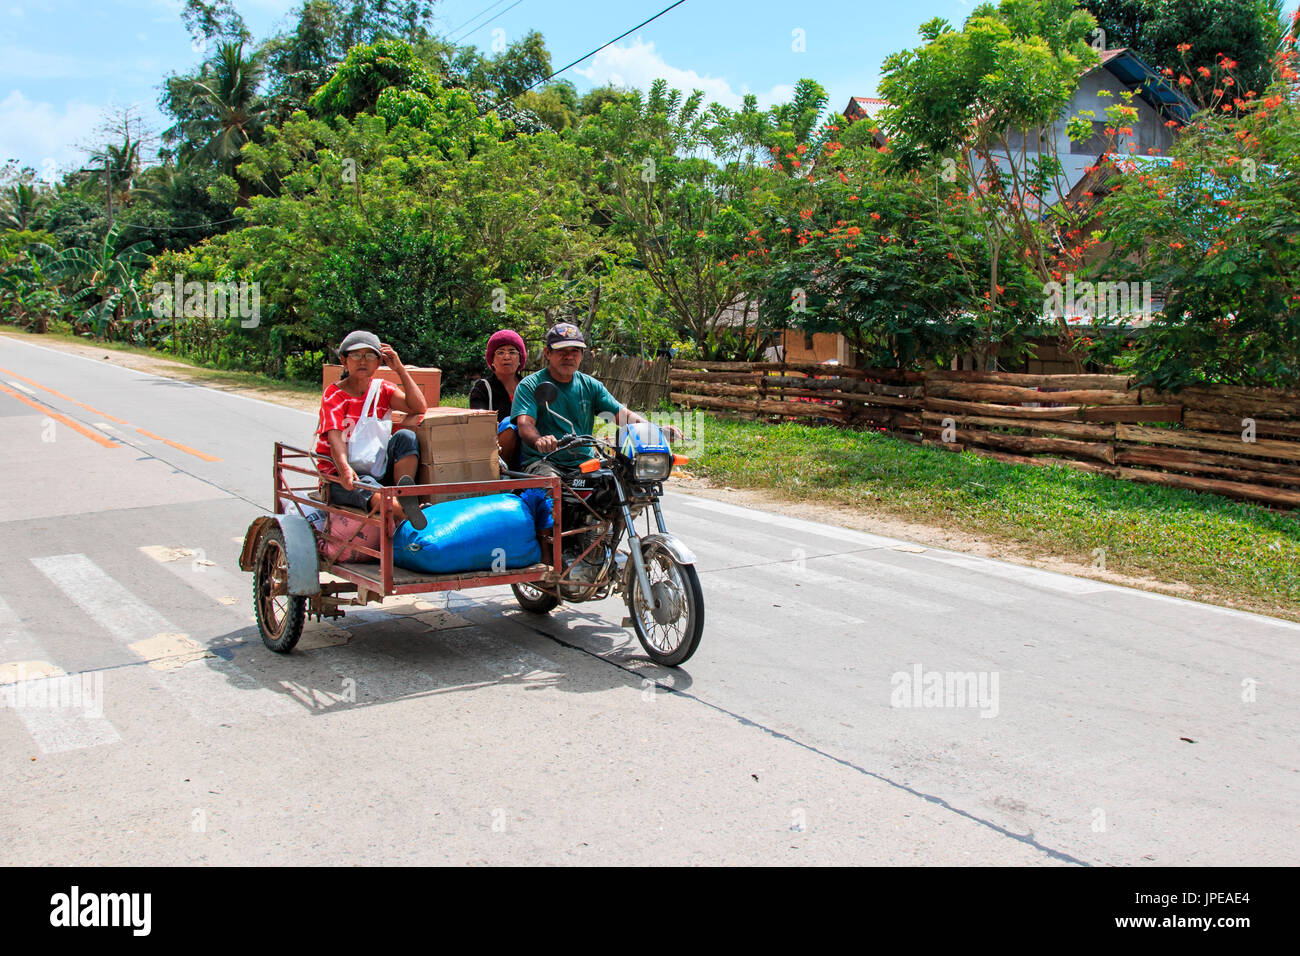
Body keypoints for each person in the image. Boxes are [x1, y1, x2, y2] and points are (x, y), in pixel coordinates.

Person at [511, 322, 681, 477]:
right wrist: (539, 440)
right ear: (548, 353)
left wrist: (655, 430)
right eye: (561, 351)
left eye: (574, 351)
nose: (568, 357)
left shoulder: (590, 385)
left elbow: (621, 415)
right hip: (544, 461)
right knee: (551, 486)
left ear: (582, 354)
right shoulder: (531, 385)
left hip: (585, 462)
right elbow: (526, 425)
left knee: (625, 485)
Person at [314, 330, 428, 529]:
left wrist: (400, 369)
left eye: (369, 355)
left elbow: (418, 407)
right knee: (363, 485)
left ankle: (403, 495)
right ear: (344, 360)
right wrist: (344, 468)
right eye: (356, 355)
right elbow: (335, 438)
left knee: (406, 436)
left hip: (378, 469)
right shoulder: (334, 395)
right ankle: (406, 512)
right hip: (341, 477)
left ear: (378, 362)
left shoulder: (382, 389)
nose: (363, 361)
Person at [468, 328, 526, 471]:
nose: (507, 357)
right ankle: (501, 475)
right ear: (492, 360)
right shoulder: (483, 388)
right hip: (494, 451)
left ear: (520, 359)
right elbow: (479, 427)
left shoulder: (529, 386)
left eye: (512, 352)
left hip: (528, 448)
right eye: (500, 352)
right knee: (509, 424)